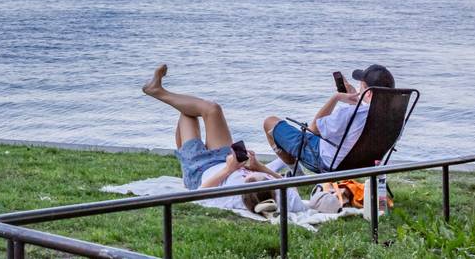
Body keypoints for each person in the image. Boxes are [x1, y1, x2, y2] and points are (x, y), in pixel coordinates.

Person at [142, 63, 305, 213]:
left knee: (187, 114)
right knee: (213, 109)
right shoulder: (284, 198)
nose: (247, 173)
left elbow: (198, 195)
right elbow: (290, 188)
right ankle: (156, 90)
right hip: (225, 158)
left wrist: (229, 169)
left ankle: (157, 91)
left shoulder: (232, 198)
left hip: (200, 170)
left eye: (247, 178)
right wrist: (259, 167)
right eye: (259, 177)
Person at [263, 64, 396, 173]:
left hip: (326, 161)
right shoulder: (394, 117)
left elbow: (313, 130)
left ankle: (296, 174)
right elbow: (361, 123)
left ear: (369, 93)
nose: (358, 87)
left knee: (270, 122)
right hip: (363, 164)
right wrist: (356, 103)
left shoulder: (348, 113)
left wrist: (336, 98)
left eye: (361, 85)